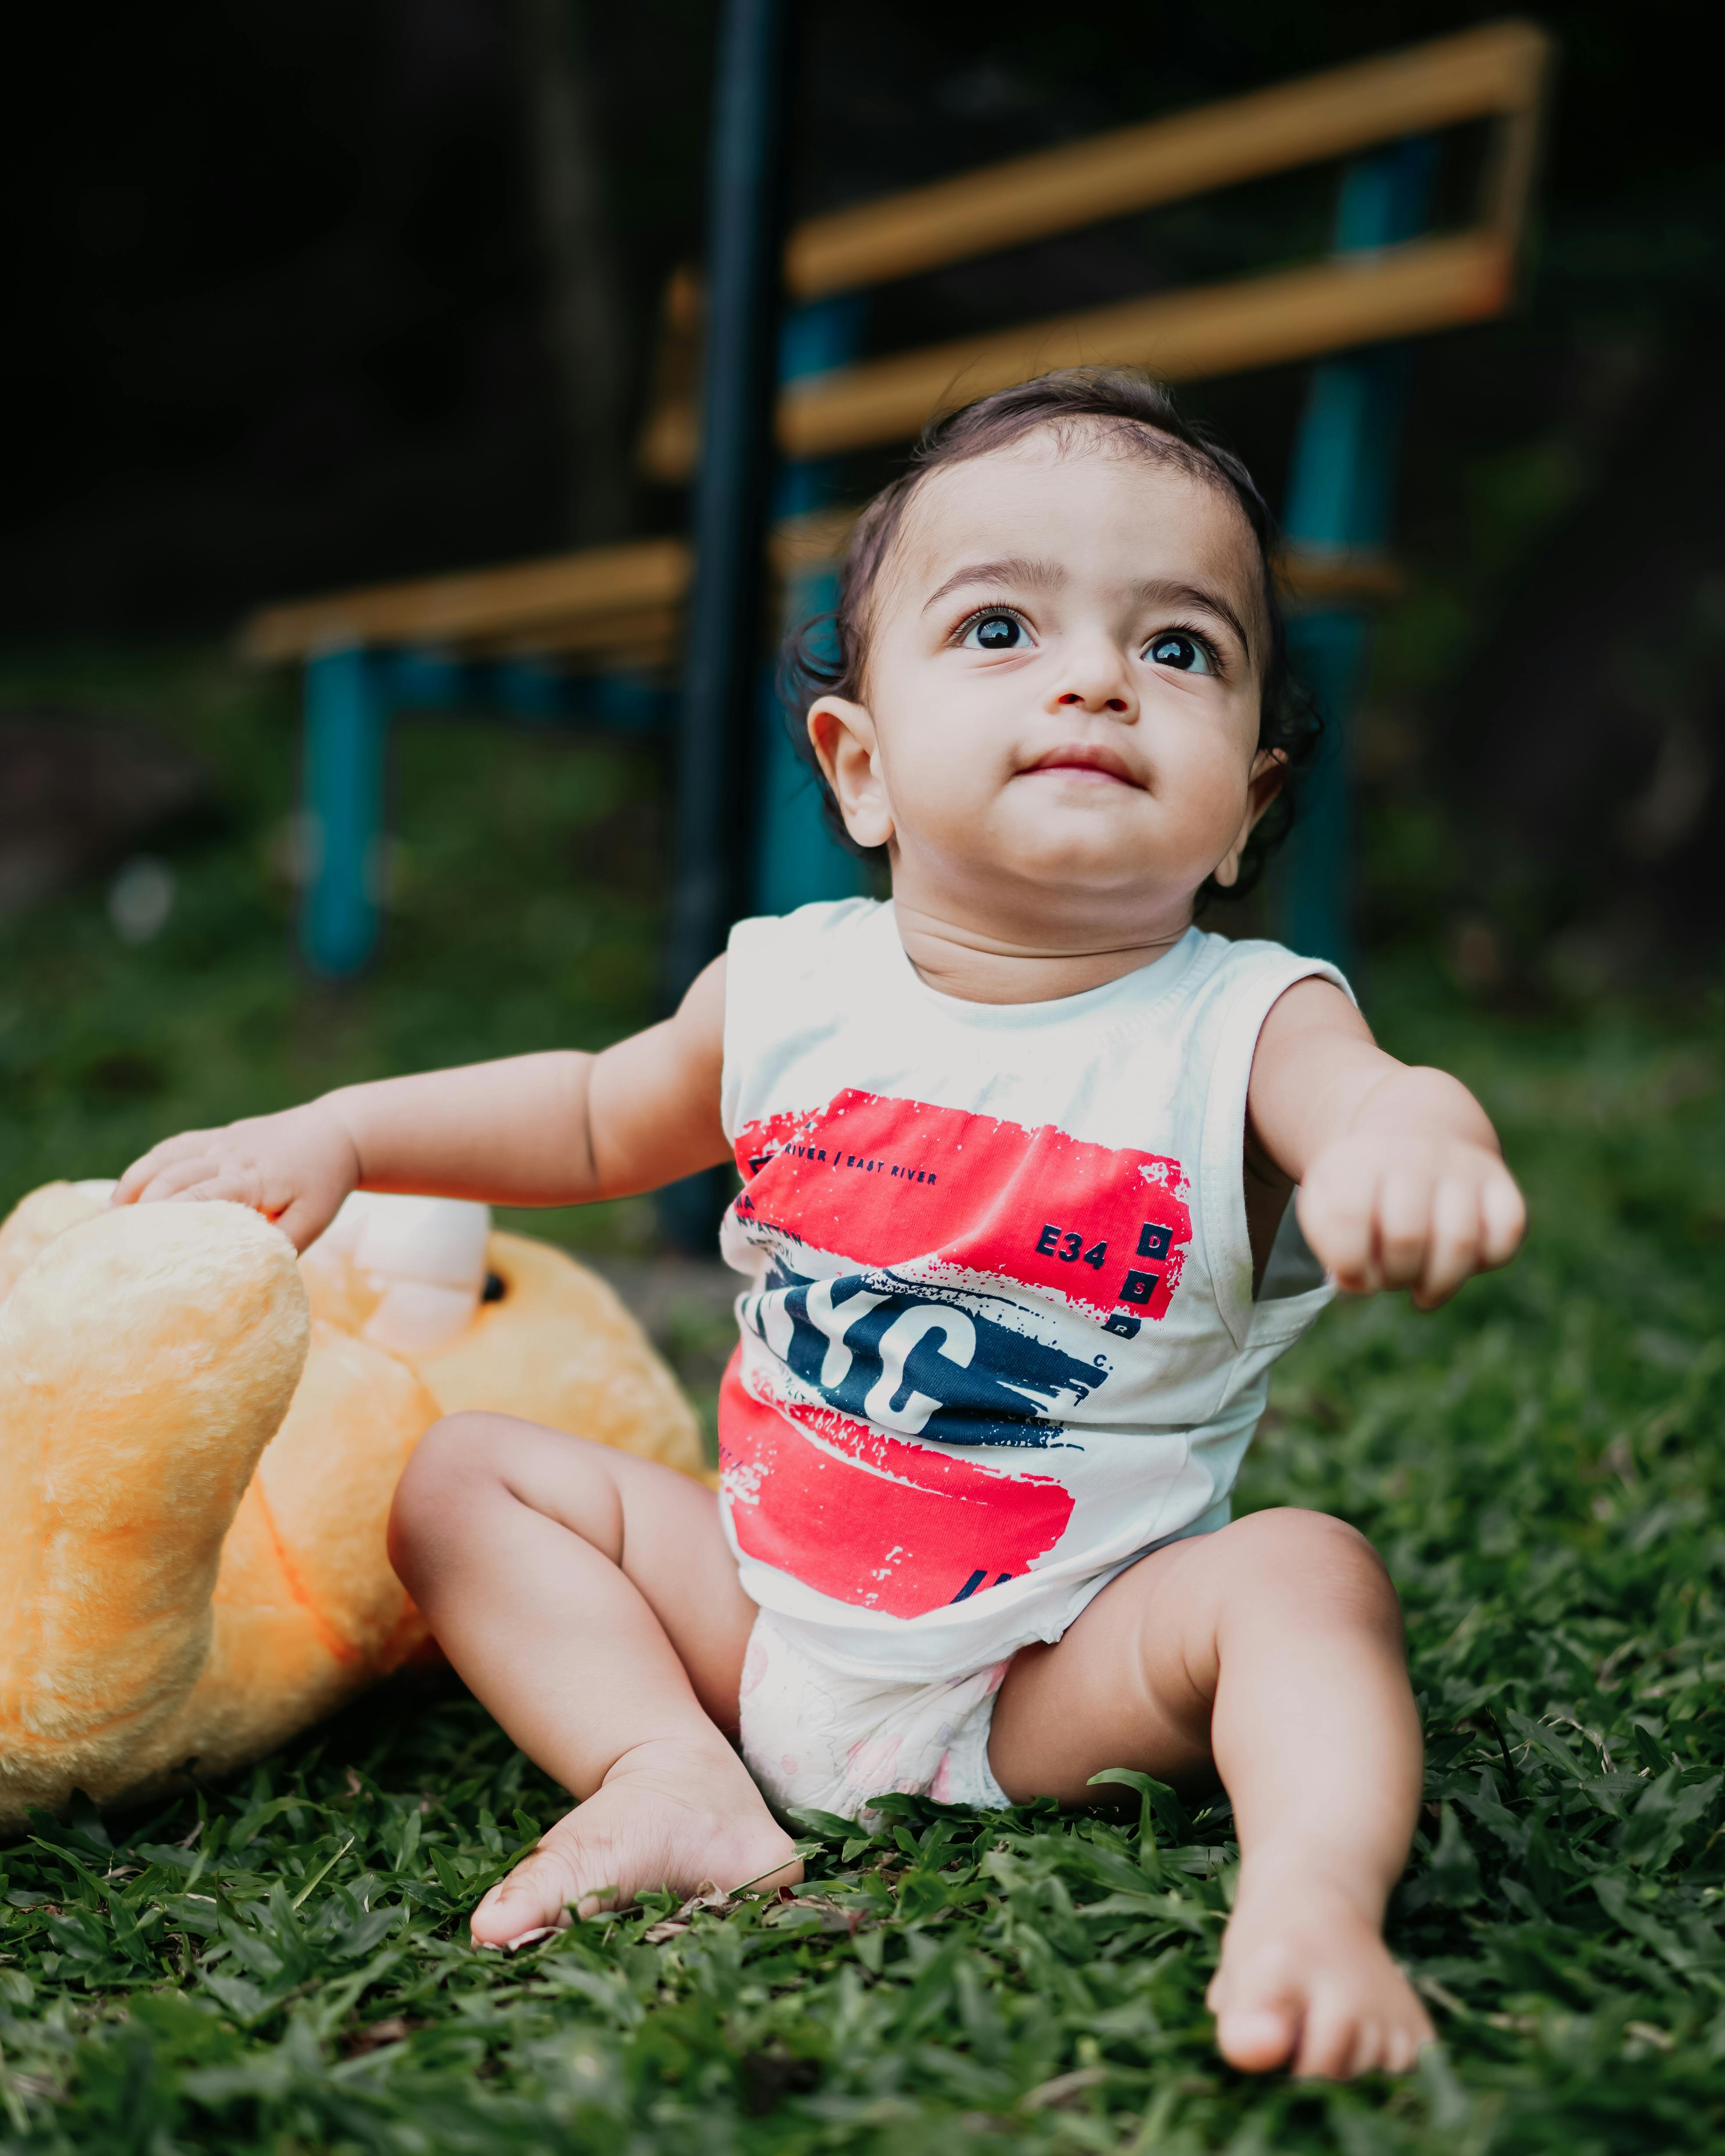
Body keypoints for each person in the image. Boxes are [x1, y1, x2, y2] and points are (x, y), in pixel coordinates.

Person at [115, 369, 1525, 2080]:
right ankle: (666, 1768)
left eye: (1177, 648)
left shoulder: (1246, 1026)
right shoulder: (788, 988)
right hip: (759, 1613)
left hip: (1060, 1665)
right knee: (463, 1476)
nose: (1094, 677)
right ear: (858, 767)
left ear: (1241, 803)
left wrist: (1410, 1148)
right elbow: (590, 1112)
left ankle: (1309, 1903)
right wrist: (344, 1130)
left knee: (1306, 1573)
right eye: (1000, 626)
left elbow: (1380, 1101)